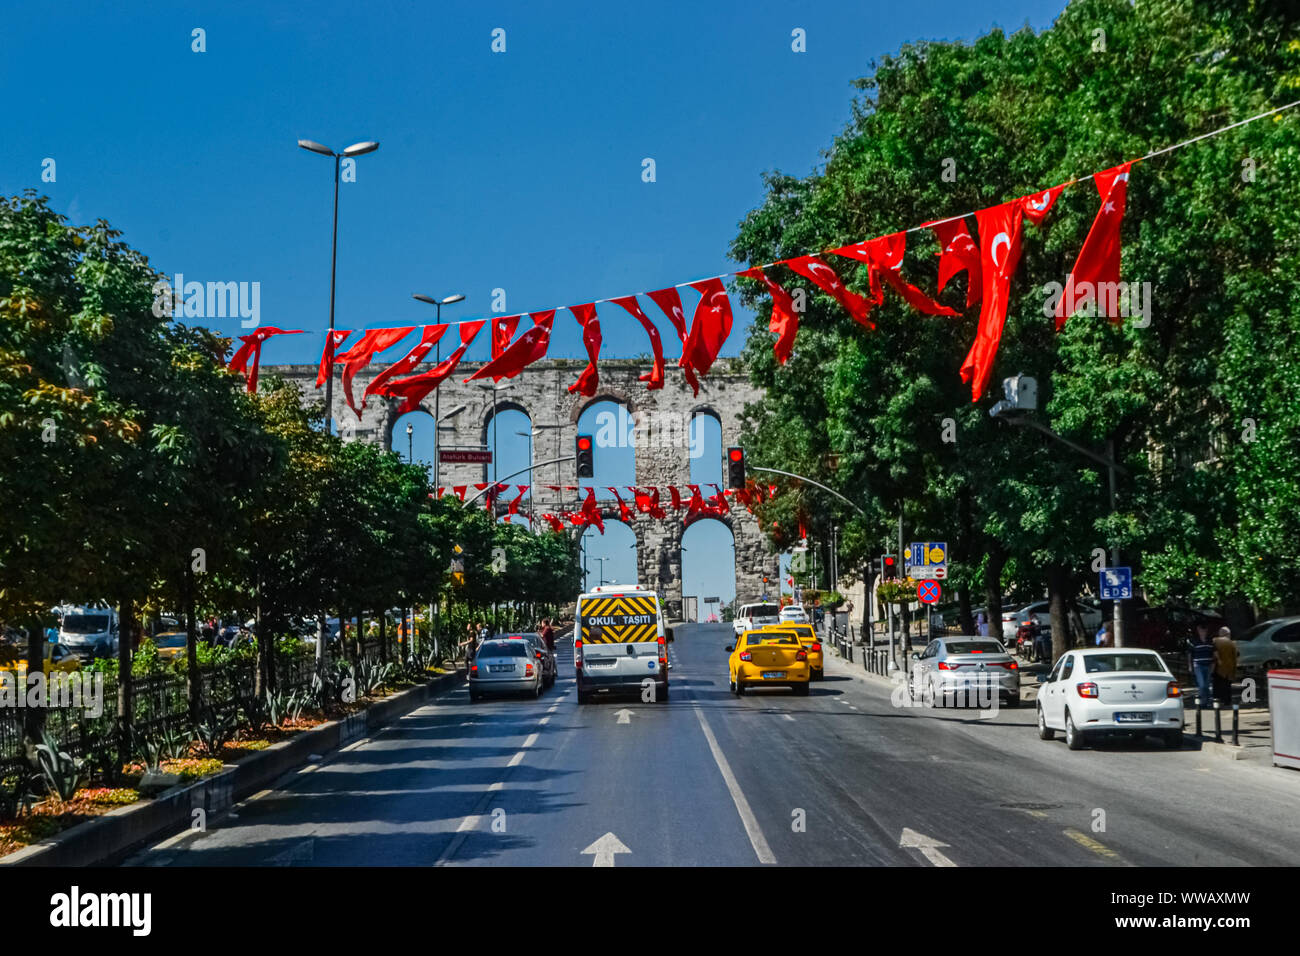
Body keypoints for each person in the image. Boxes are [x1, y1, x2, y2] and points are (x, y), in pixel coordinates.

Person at [1189, 621, 1215, 708]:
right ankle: (1203, 702)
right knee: (1202, 684)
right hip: (1198, 665)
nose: (1203, 632)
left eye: (1204, 630)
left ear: (1206, 631)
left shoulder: (1210, 641)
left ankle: (1207, 702)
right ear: (1198, 630)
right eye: (1201, 630)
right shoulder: (1194, 641)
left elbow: (1213, 654)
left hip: (1208, 665)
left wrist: (1213, 666)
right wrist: (1190, 666)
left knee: (1207, 685)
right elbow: (1190, 654)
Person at [1212, 625, 1237, 706]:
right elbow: (1236, 655)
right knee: (1227, 685)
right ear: (1228, 634)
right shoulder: (1232, 643)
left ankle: (1217, 701)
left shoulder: (1215, 641)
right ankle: (1227, 701)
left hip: (1218, 667)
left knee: (1217, 685)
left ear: (1221, 633)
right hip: (1229, 667)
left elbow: (1213, 652)